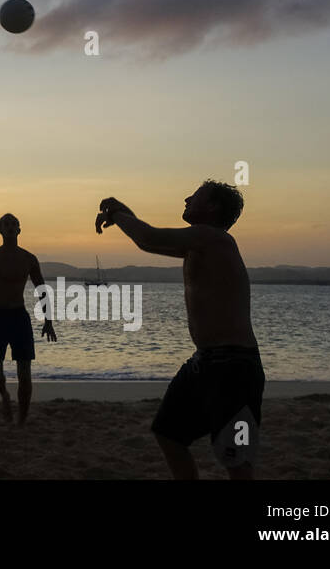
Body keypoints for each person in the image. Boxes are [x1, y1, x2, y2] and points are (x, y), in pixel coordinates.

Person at [96, 181, 262, 479]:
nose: (186, 198)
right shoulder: (199, 244)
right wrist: (122, 212)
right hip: (205, 363)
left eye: (195, 196)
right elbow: (150, 242)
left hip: (234, 368)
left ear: (211, 207)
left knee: (236, 459)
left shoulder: (212, 239)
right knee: (168, 433)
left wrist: (116, 212)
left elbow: (148, 237)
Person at [0, 214, 56, 425]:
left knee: (24, 373)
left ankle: (21, 422)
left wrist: (48, 320)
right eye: (6, 224)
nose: (10, 227)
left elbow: (42, 290)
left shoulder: (28, 259)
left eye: (14, 224)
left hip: (19, 317)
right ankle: (5, 396)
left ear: (19, 230)